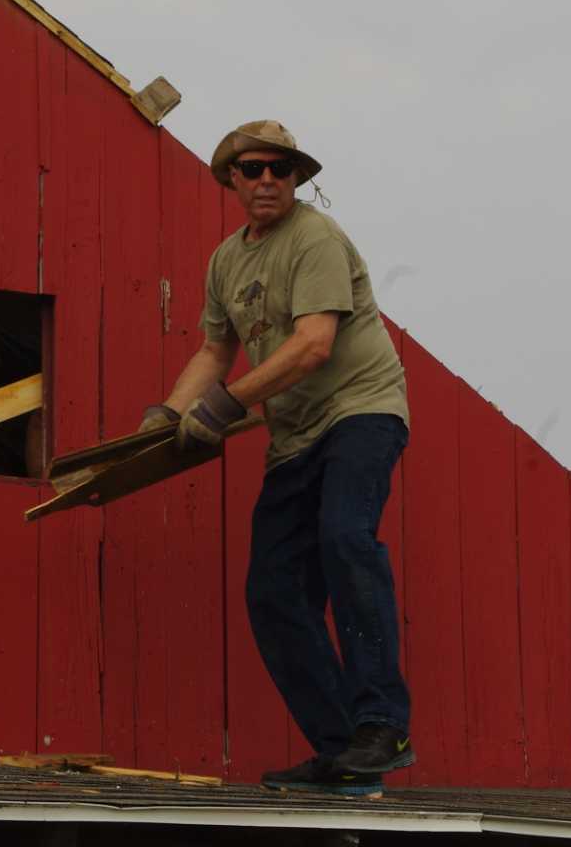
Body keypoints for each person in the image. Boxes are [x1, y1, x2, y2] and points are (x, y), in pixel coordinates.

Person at [144, 120, 413, 797]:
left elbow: (314, 344)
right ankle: (344, 753)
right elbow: (215, 351)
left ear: (297, 179)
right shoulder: (225, 262)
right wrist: (168, 415)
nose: (268, 180)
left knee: (346, 537)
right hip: (294, 435)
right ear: (230, 180)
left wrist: (224, 406)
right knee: (272, 593)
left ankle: (384, 725)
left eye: (282, 169)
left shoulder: (315, 238)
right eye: (254, 169)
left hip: (360, 410)